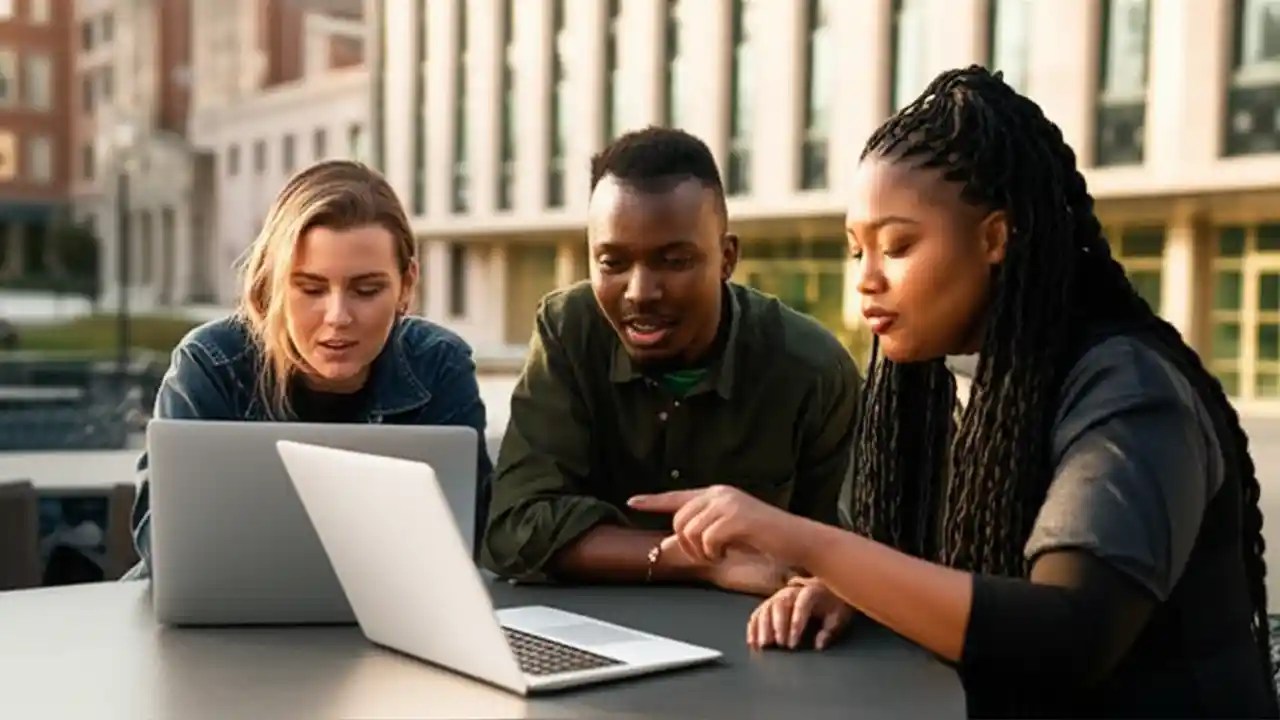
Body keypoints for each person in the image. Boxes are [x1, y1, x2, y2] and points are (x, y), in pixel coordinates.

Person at [629, 67, 1280, 718]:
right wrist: (859, 591)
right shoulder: (943, 384)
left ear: (995, 237)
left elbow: (1071, 635)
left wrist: (807, 544)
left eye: (898, 245)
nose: (867, 280)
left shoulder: (1131, 391)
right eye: (858, 250)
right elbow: (949, 570)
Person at [480, 127, 861, 597]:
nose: (640, 291)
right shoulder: (569, 330)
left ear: (726, 258)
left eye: (675, 261)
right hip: (590, 628)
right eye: (612, 263)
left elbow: (839, 557)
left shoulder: (814, 369)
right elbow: (513, 531)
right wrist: (695, 561)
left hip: (758, 641)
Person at [124, 160, 492, 579]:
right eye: (311, 289)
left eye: (366, 290)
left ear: (406, 285)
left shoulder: (438, 364)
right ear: (272, 282)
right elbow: (164, 542)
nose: (338, 316)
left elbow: (470, 533)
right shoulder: (212, 364)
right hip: (215, 624)